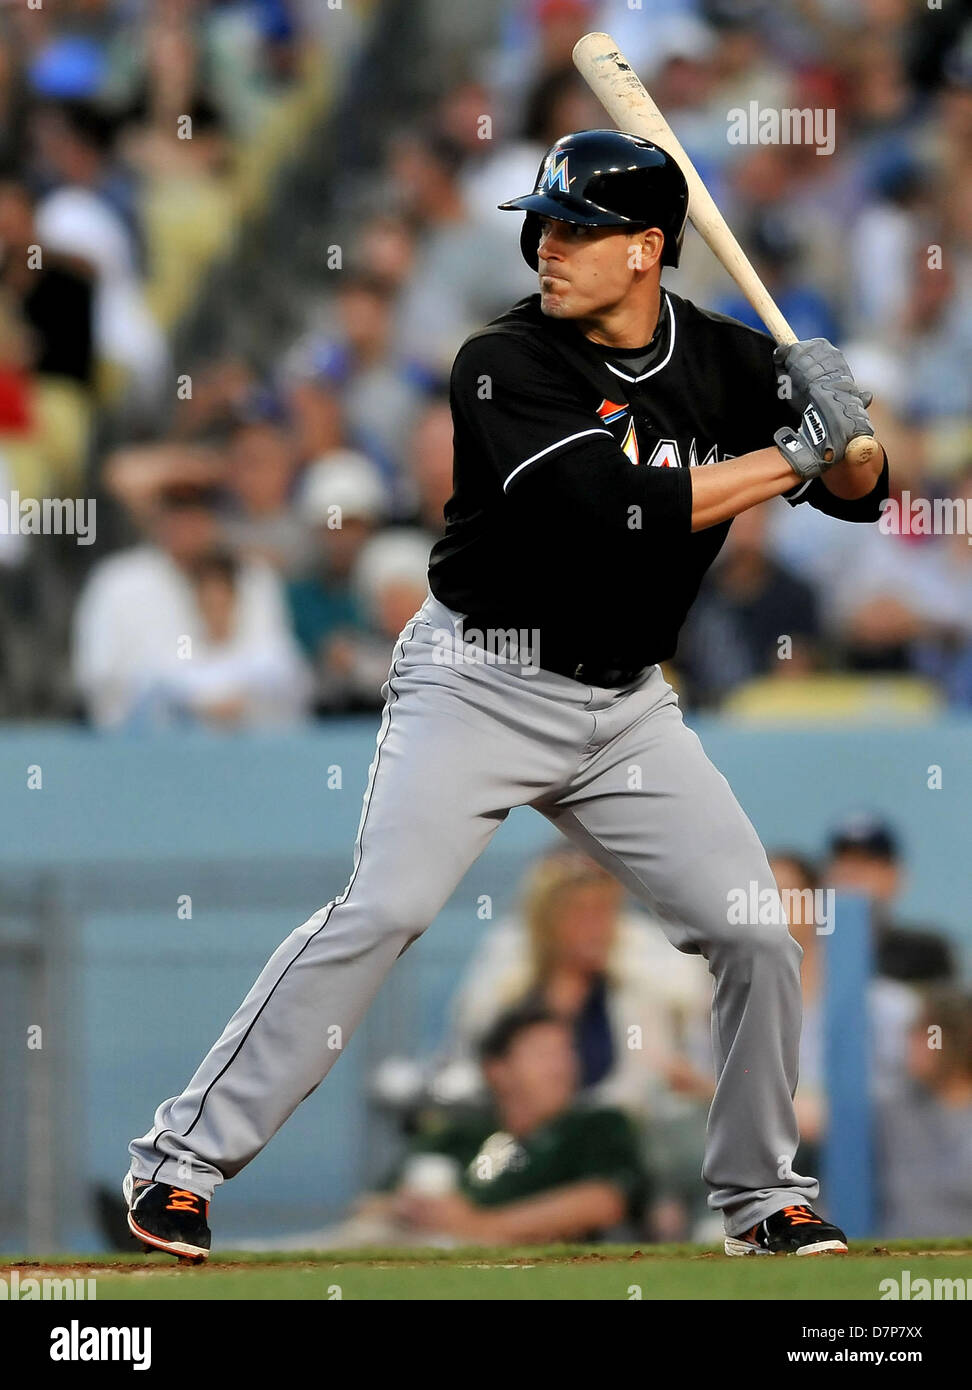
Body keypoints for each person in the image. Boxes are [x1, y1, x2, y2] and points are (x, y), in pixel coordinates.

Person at [125, 129, 888, 1261]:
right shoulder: (501, 359)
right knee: (381, 910)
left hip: (626, 705)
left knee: (759, 937)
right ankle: (176, 1165)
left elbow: (869, 497)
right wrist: (796, 454)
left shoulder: (725, 360)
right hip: (478, 681)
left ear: (646, 250)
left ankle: (762, 1197)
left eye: (577, 227)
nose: (548, 246)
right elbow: (614, 505)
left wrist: (849, 432)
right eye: (544, 224)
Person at [280, 1004, 646, 1249]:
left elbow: (604, 1201)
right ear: (497, 1070)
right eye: (543, 1054)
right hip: (408, 1244)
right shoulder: (460, 1132)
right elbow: (368, 1207)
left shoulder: (595, 1125)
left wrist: (479, 1225)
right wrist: (408, 1207)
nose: (562, 1066)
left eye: (567, 1052)